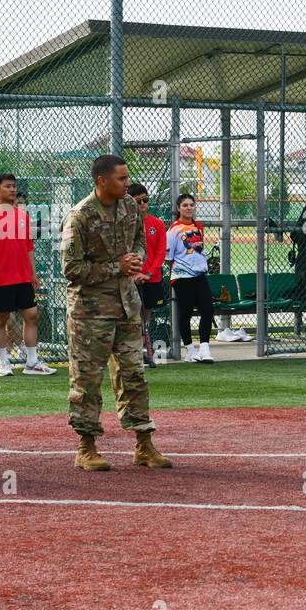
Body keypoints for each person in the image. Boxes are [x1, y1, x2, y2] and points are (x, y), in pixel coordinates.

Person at [62, 154, 170, 470]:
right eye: (121, 179)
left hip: (127, 307)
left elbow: (139, 242)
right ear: (101, 181)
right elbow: (71, 268)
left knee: (134, 374)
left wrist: (135, 259)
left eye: (126, 178)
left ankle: (144, 444)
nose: (127, 183)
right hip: (90, 313)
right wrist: (115, 267)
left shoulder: (130, 208)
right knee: (87, 379)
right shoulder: (79, 216)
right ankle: (86, 447)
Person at [0, 172, 55, 376]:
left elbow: (29, 247)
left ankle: (31, 362)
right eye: (8, 186)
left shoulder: (23, 216)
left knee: (31, 315)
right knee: (1, 319)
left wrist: (33, 273)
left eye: (14, 186)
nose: (12, 189)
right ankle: (4, 363)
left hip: (22, 277)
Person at [166, 193, 216, 363]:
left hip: (200, 275)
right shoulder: (173, 229)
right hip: (182, 277)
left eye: (191, 205)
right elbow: (168, 257)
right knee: (185, 313)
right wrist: (182, 269)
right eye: (185, 205)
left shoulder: (198, 226)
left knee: (207, 309)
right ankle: (190, 350)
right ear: (178, 208)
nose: (189, 208)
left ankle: (204, 348)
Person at [129, 183, 168, 366]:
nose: (143, 203)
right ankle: (133, 352)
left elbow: (161, 252)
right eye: (139, 201)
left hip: (151, 278)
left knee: (146, 315)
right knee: (131, 316)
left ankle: (146, 350)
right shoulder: (126, 224)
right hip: (131, 278)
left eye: (146, 200)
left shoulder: (157, 224)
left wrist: (149, 273)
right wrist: (134, 274)